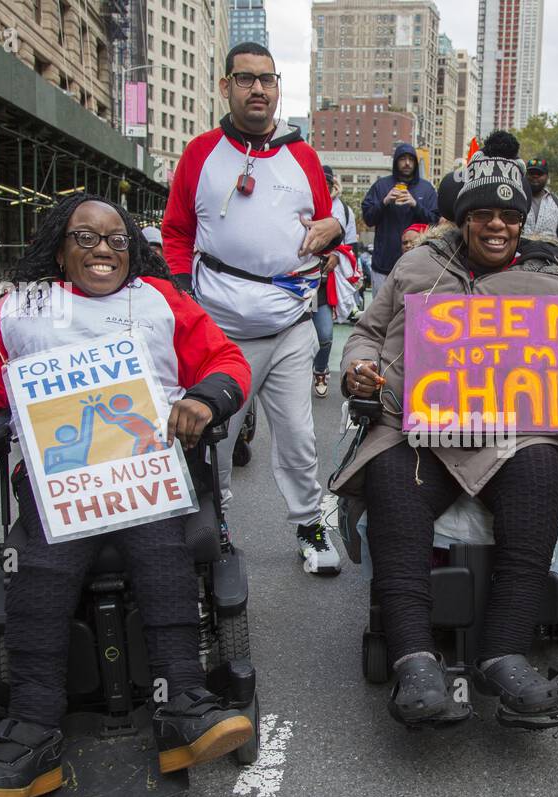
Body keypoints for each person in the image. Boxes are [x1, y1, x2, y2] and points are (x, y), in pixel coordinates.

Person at [0, 195, 255, 797]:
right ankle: (32, 728)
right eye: (86, 238)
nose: (103, 248)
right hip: (61, 482)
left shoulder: (161, 301)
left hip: (145, 468)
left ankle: (184, 702)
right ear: (60, 249)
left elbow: (226, 360)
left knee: (161, 547)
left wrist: (206, 399)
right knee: (44, 564)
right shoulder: (21, 309)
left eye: (117, 239)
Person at [332, 149, 558, 730]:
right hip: (417, 428)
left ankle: (503, 652)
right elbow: (367, 333)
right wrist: (359, 368)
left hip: (514, 432)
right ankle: (416, 660)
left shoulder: (553, 282)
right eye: (482, 213)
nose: (496, 224)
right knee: (393, 482)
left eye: (509, 215)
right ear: (462, 217)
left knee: (541, 473)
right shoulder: (418, 266)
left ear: (523, 221)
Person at [162, 40, 344, 575]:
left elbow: (326, 228)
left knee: (298, 437)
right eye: (245, 79)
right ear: (226, 87)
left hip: (289, 325)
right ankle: (211, 529)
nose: (258, 88)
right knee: (209, 438)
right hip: (219, 332)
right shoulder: (199, 154)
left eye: (267, 78)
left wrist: (334, 236)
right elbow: (175, 232)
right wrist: (183, 297)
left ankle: (310, 528)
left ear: (277, 86)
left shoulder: (304, 156)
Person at [361, 143, 439, 293]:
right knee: (381, 315)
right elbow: (368, 218)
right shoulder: (381, 186)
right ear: (396, 161)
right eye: (403, 159)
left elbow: (436, 223)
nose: (407, 163)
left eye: (411, 159)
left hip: (417, 267)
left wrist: (415, 205)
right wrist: (385, 201)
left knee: (411, 314)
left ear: (416, 162)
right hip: (383, 266)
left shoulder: (426, 189)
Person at [313, 165, 362, 397]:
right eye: (319, 182)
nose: (324, 187)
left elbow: (350, 246)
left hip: (323, 283)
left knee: (325, 335)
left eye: (328, 183)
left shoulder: (342, 209)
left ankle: (321, 371)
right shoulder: (301, 201)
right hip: (292, 284)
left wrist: (335, 255)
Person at [522, 157, 558, 244]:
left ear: (547, 177)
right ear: (525, 175)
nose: (535, 176)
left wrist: (555, 247)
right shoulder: (516, 201)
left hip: (549, 255)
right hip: (521, 255)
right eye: (531, 173)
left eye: (539, 174)